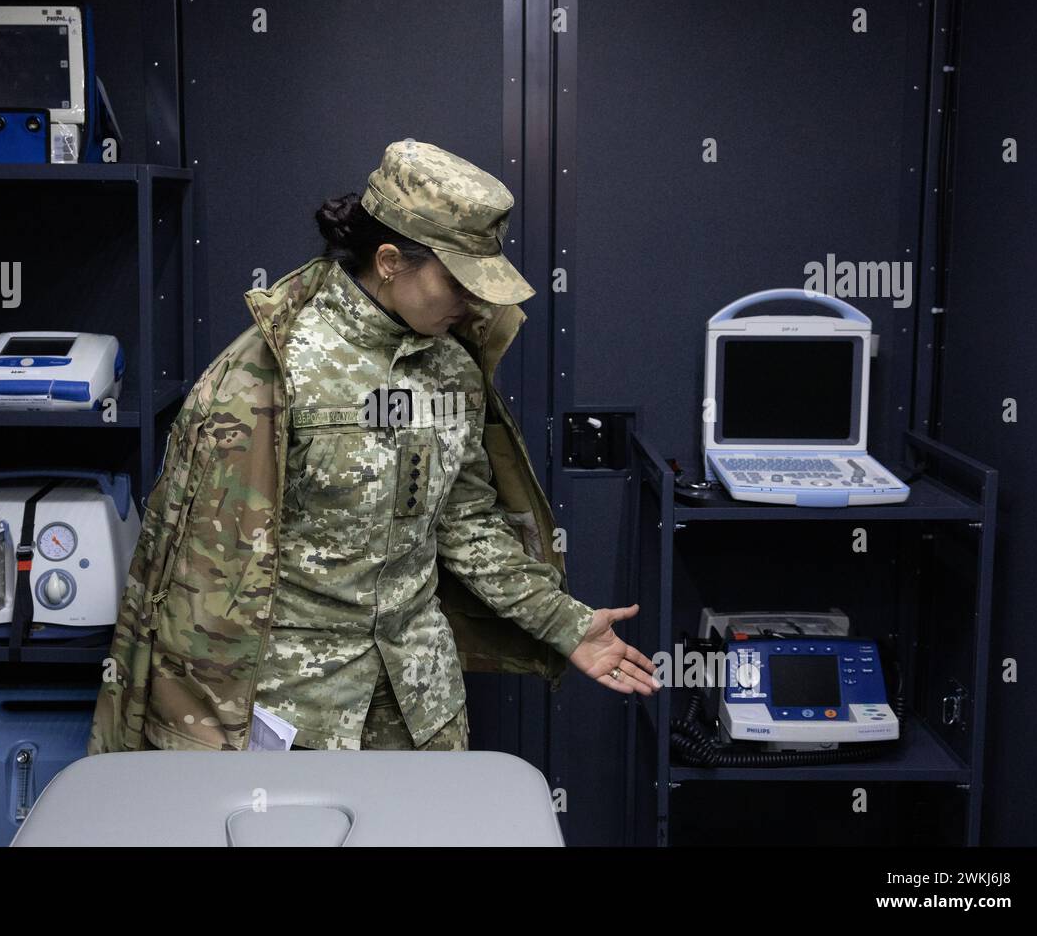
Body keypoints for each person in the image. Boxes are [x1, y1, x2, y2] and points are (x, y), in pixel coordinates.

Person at [86, 138, 659, 757]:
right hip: (295, 713)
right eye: (459, 282)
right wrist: (188, 732)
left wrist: (565, 624)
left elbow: (466, 526)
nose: (475, 302)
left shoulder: (454, 370)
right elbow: (195, 568)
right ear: (389, 260)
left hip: (422, 704)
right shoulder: (272, 372)